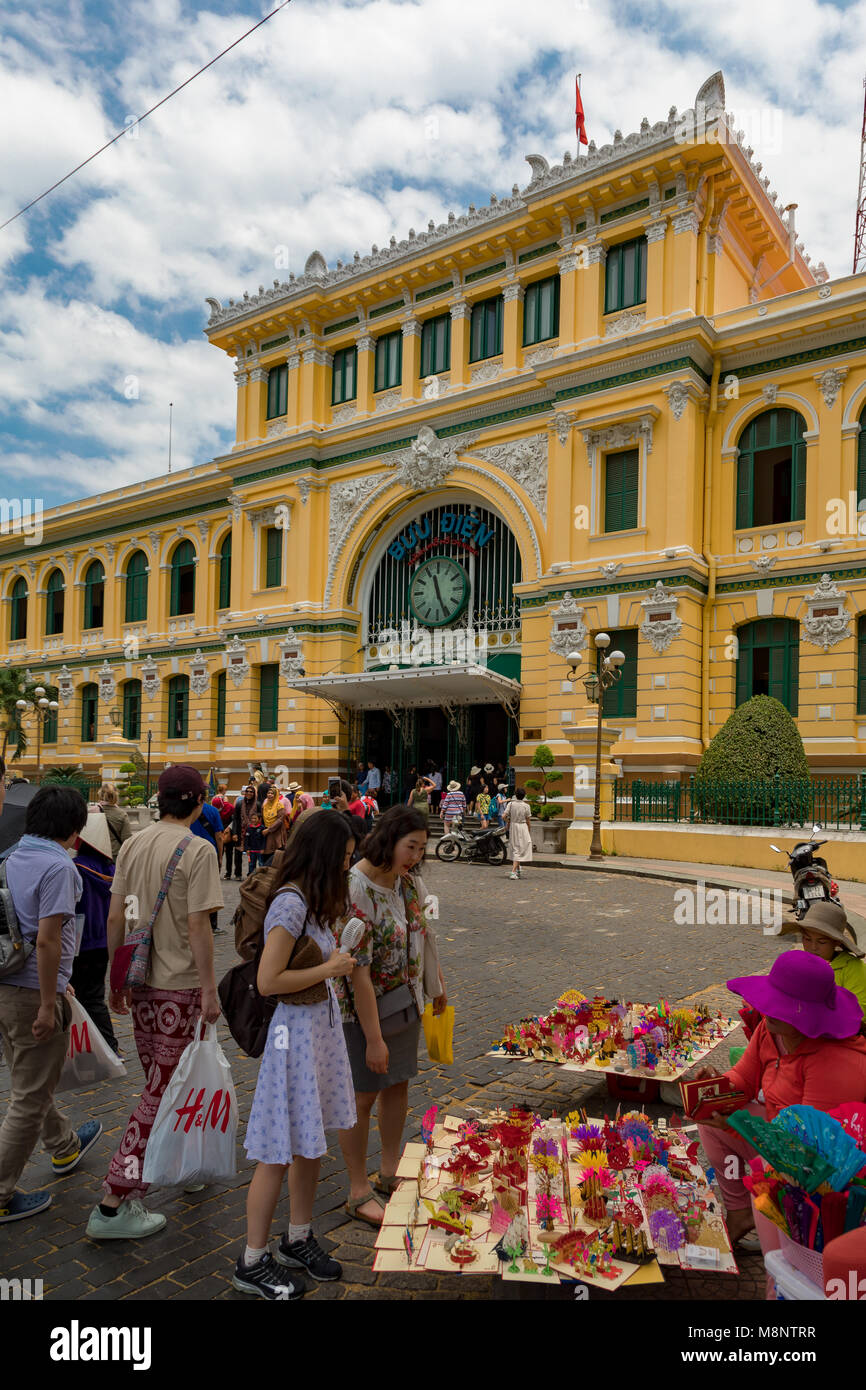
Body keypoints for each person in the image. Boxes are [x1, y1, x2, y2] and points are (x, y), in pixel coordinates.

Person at [86, 765, 223, 1241]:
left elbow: (119, 912)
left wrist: (116, 979)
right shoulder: (199, 848)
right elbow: (197, 924)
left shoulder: (134, 844)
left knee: (162, 1083)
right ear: (199, 800)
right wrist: (209, 988)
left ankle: (184, 1162)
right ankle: (115, 1199)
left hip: (141, 982)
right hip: (181, 984)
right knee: (161, 1090)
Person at [233, 812, 359, 1299]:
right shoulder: (289, 904)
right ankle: (252, 1258)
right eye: (344, 859)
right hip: (293, 1039)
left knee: (310, 1142)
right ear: (325, 855)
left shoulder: (316, 902)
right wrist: (331, 967)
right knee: (275, 1151)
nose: (347, 868)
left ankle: (298, 1236)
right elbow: (269, 982)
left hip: (316, 1037)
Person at [694, 952, 866, 1251]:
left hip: (818, 1176)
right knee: (711, 1123)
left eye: (781, 1005)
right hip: (777, 1138)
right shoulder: (772, 1029)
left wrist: (737, 1125)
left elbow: (807, 1156)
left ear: (808, 1015)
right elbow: (744, 1080)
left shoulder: (836, 1062)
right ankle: (739, 1213)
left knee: (784, 1254)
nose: (767, 1009)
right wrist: (719, 1088)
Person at [335, 806, 447, 1226]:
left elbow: (422, 935)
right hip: (362, 1010)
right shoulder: (355, 886)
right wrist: (373, 1037)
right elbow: (357, 970)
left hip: (406, 1003)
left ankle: (388, 1169)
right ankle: (356, 1187)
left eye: (421, 847)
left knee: (397, 1084)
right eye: (410, 846)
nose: (416, 855)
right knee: (361, 1096)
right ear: (388, 840)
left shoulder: (408, 884)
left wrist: (436, 983)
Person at [0, 786, 102, 1225]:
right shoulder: (59, 867)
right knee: (28, 1097)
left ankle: (63, 1147)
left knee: (30, 1081)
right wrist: (48, 1000)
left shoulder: (10, 857)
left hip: (5, 984)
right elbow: (48, 937)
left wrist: (60, 984)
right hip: (30, 994)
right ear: (74, 829)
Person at [69, 811, 119, 1054]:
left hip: (79, 942)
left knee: (77, 995)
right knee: (95, 996)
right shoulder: (112, 868)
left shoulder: (75, 868)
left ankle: (99, 1046)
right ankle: (107, 1045)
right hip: (103, 942)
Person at [780, 900, 866, 1020]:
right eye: (807, 939)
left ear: (836, 942)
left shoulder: (853, 967)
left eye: (822, 942)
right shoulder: (797, 964)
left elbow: (860, 1012)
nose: (813, 947)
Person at [191, 791, 224, 934]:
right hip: (209, 852)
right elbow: (219, 836)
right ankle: (212, 924)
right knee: (211, 887)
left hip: (189, 851)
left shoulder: (187, 810)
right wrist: (220, 857)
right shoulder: (213, 811)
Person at [227, 784, 257, 880]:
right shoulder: (240, 803)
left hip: (252, 832)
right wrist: (235, 833)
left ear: (254, 793)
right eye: (247, 791)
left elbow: (260, 819)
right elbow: (235, 819)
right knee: (238, 854)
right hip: (240, 831)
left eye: (251, 791)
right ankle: (238, 874)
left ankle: (251, 873)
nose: (249, 793)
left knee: (251, 854)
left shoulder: (258, 804)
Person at [98, 782, 132, 862]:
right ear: (116, 796)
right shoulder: (122, 814)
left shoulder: (93, 812)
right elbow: (126, 839)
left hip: (96, 853)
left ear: (100, 795)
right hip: (114, 855)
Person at [505, 786, 532, 879]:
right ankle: (513, 872)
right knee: (520, 848)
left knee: (516, 847)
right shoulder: (526, 806)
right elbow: (528, 820)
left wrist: (508, 822)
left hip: (513, 826)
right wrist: (529, 829)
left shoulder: (511, 804)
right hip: (523, 826)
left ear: (515, 795)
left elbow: (503, 816)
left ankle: (518, 869)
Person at [261, 784, 289, 866]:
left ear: (276, 795)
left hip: (276, 833)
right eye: (268, 793)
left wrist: (269, 829)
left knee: (275, 854)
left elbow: (280, 820)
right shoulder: (265, 806)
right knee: (266, 854)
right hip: (266, 832)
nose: (269, 795)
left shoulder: (279, 805)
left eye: (272, 793)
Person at [210, 785, 235, 871]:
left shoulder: (214, 799)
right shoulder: (225, 799)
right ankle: (227, 872)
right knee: (228, 851)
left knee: (220, 850)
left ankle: (218, 869)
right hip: (224, 826)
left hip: (220, 826)